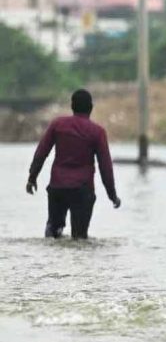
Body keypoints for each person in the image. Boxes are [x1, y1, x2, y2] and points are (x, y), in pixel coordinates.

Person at [26, 89, 121, 239]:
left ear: (72, 106)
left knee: (53, 234)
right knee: (79, 239)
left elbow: (41, 152)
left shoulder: (57, 125)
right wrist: (112, 195)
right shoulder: (97, 132)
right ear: (91, 107)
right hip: (82, 191)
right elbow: (105, 167)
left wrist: (32, 177)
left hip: (57, 187)